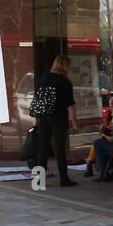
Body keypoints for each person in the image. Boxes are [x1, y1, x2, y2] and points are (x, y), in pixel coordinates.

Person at [34, 54, 78, 187]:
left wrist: (37, 118)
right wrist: (74, 122)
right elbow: (70, 104)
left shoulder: (43, 78)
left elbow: (38, 99)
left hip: (44, 117)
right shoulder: (65, 81)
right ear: (64, 66)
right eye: (68, 65)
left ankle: (39, 180)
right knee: (60, 149)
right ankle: (64, 179)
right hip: (59, 117)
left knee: (42, 148)